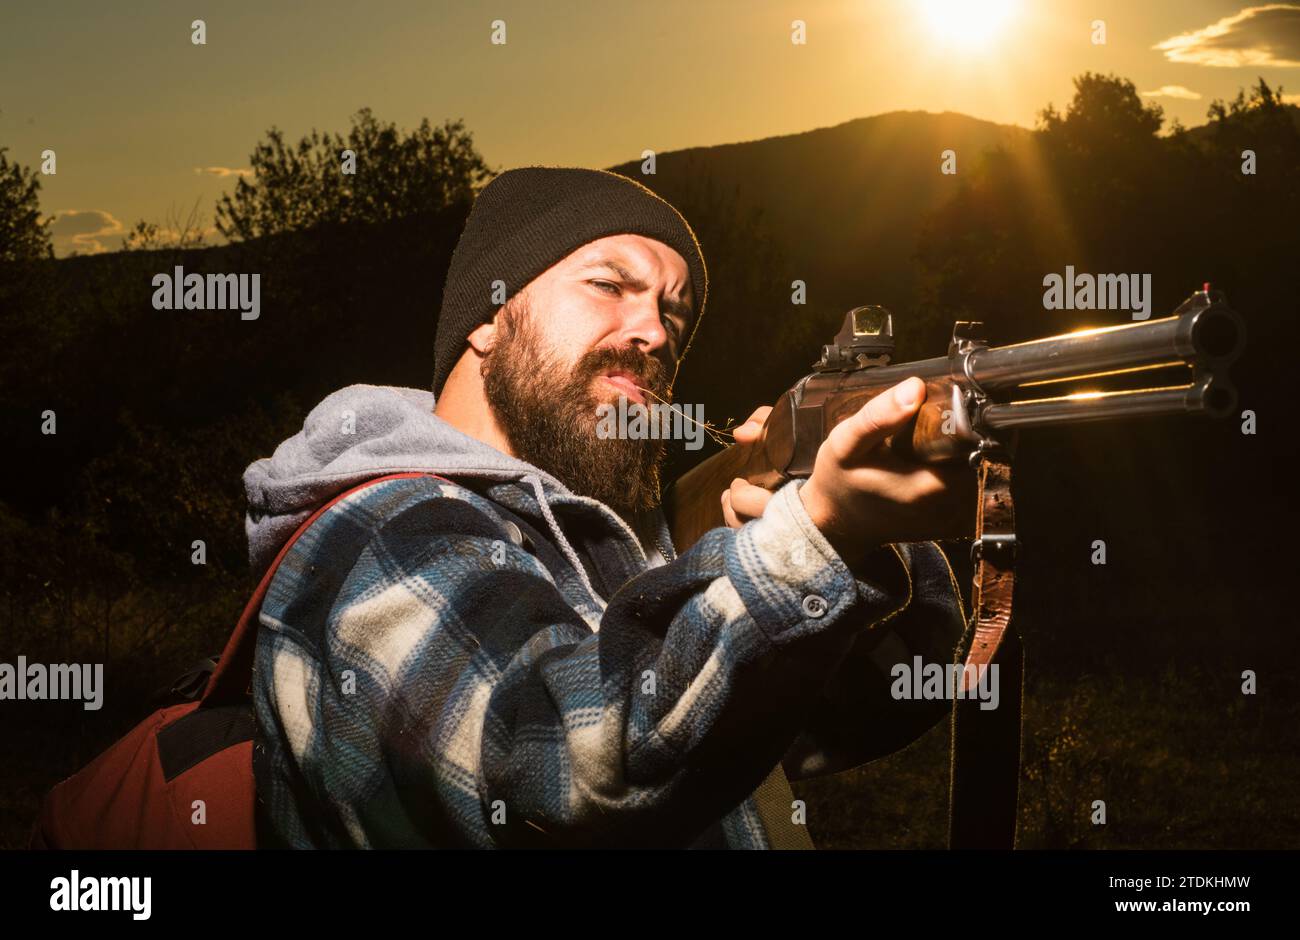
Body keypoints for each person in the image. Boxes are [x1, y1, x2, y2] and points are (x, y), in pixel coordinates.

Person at [243, 166, 974, 848]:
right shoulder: (380, 530)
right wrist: (807, 542)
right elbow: (562, 769)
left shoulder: (623, 555)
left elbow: (876, 707)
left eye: (673, 315)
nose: (655, 332)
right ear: (488, 317)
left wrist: (857, 531)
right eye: (608, 286)